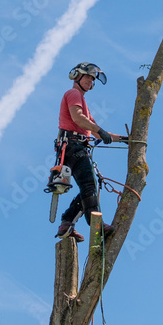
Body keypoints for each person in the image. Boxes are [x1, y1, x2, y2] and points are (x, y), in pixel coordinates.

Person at [54, 62, 122, 243]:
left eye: (93, 79)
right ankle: (96, 225)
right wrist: (101, 132)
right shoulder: (73, 94)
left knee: (90, 187)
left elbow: (94, 129)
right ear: (77, 76)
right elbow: (78, 119)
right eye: (88, 77)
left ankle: (67, 222)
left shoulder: (83, 102)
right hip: (73, 146)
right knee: (89, 186)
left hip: (76, 147)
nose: (90, 81)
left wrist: (125, 140)